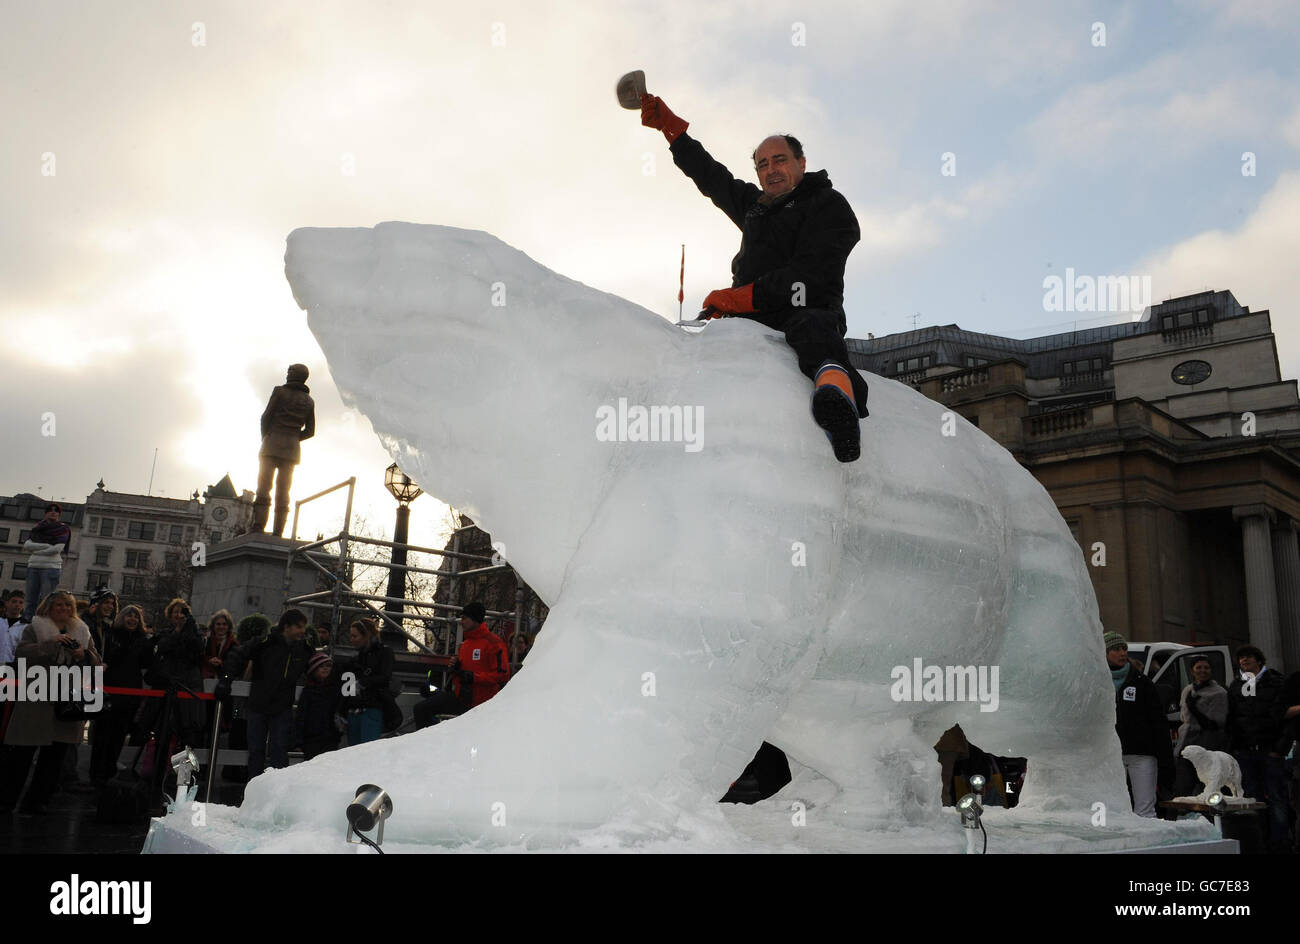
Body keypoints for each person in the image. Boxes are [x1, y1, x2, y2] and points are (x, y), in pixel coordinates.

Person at [641, 97, 868, 462]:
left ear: (801, 163)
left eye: (780, 160)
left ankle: (836, 400)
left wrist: (740, 297)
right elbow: (713, 178)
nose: (771, 169)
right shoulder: (755, 208)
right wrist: (674, 132)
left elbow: (810, 276)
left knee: (812, 327)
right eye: (762, 164)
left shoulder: (828, 205)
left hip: (804, 308)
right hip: (749, 319)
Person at [0, 591, 100, 814]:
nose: (62, 608)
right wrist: (49, 644)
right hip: (37, 696)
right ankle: (7, 800)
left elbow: (96, 658)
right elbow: (22, 653)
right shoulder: (35, 627)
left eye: (67, 605)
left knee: (54, 758)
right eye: (58, 605)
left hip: (66, 700)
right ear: (48, 607)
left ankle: (37, 802)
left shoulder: (82, 630)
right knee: (21, 755)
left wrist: (83, 654)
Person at [221, 608, 314, 778]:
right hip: (260, 705)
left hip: (280, 706)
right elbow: (237, 655)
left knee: (278, 750)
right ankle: (254, 788)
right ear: (287, 626)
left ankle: (273, 791)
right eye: (299, 627)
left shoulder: (304, 649)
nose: (302, 631)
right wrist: (226, 680)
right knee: (257, 750)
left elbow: (316, 668)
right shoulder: (264, 643)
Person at [1227, 645, 1292, 851]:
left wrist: (1279, 748)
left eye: (1248, 657)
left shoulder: (1277, 683)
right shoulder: (1236, 685)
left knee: (1277, 797)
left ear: (1259, 660)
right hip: (1245, 751)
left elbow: (1285, 720)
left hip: (1270, 750)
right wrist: (1235, 747)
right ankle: (1258, 842)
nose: (1244, 661)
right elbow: (1232, 719)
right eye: (1241, 658)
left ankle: (1280, 843)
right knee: (1251, 799)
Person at [1105, 632, 1172, 818]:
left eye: (1124, 648)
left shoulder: (1142, 683)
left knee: (1145, 809)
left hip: (1141, 754)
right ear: (1105, 653)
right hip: (1111, 755)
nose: (1122, 653)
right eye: (1116, 649)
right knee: (1114, 809)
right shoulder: (1099, 683)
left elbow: (1158, 720)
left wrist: (1163, 755)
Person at [90, 603, 154, 786]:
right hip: (109, 689)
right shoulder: (111, 635)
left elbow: (146, 663)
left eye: (136, 616)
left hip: (129, 692)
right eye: (129, 615)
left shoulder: (143, 640)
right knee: (102, 735)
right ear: (122, 617)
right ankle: (96, 774)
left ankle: (109, 772)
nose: (132, 619)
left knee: (118, 736)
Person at [255, 363, 316, 536]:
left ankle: (258, 526)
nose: (287, 373)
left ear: (294, 375)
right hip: (292, 450)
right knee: (284, 492)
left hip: (271, 443)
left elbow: (266, 417)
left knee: (264, 487)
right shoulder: (309, 401)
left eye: (290, 371)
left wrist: (266, 436)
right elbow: (310, 431)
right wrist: (294, 438)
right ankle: (278, 532)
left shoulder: (279, 392)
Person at [146, 598, 206, 748]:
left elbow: (198, 650)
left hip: (187, 685)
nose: (179, 615)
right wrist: (178, 631)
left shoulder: (194, 634)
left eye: (182, 612)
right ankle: (161, 767)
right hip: (168, 685)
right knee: (163, 729)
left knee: (187, 730)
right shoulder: (165, 633)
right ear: (170, 615)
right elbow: (162, 648)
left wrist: (190, 627)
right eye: (175, 612)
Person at [1172, 655, 1229, 797]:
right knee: (1183, 785)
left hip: (1208, 743)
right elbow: (1184, 717)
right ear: (1192, 670)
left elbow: (1216, 722)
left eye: (1206, 667)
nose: (1202, 671)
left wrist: (1195, 709)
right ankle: (1182, 814)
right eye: (1199, 667)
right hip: (1186, 742)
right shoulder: (1187, 690)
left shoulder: (1219, 693)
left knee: (1207, 786)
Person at [337, 618, 395, 745]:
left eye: (354, 636)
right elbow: (348, 688)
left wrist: (363, 682)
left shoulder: (384, 652)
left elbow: (385, 677)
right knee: (354, 752)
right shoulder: (355, 659)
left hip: (372, 709)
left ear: (367, 635)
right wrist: (342, 711)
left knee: (366, 751)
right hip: (353, 711)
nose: (351, 639)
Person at [20, 503, 71, 622]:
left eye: (56, 511)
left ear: (59, 514)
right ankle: (27, 623)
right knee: (30, 599)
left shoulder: (62, 529)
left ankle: (44, 623)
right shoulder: (37, 528)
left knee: (47, 600)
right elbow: (27, 545)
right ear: (45, 513)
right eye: (50, 510)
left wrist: (36, 550)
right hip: (33, 566)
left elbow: (57, 549)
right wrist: (47, 546)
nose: (53, 512)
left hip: (50, 567)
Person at [293, 652, 342, 760]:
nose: (325, 669)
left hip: (330, 738)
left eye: (328, 666)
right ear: (313, 669)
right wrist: (298, 741)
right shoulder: (308, 692)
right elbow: (301, 717)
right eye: (321, 666)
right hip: (311, 740)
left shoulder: (335, 690)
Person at [83, 586, 117, 657]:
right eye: (106, 602)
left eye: (112, 603)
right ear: (96, 604)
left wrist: (106, 663)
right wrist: (88, 616)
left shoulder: (107, 627)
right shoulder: (84, 623)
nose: (110, 606)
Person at [0, 591, 27, 665]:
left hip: (12, 668)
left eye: (21, 602)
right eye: (14, 601)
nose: (17, 605)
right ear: (7, 603)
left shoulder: (26, 626)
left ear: (23, 606)